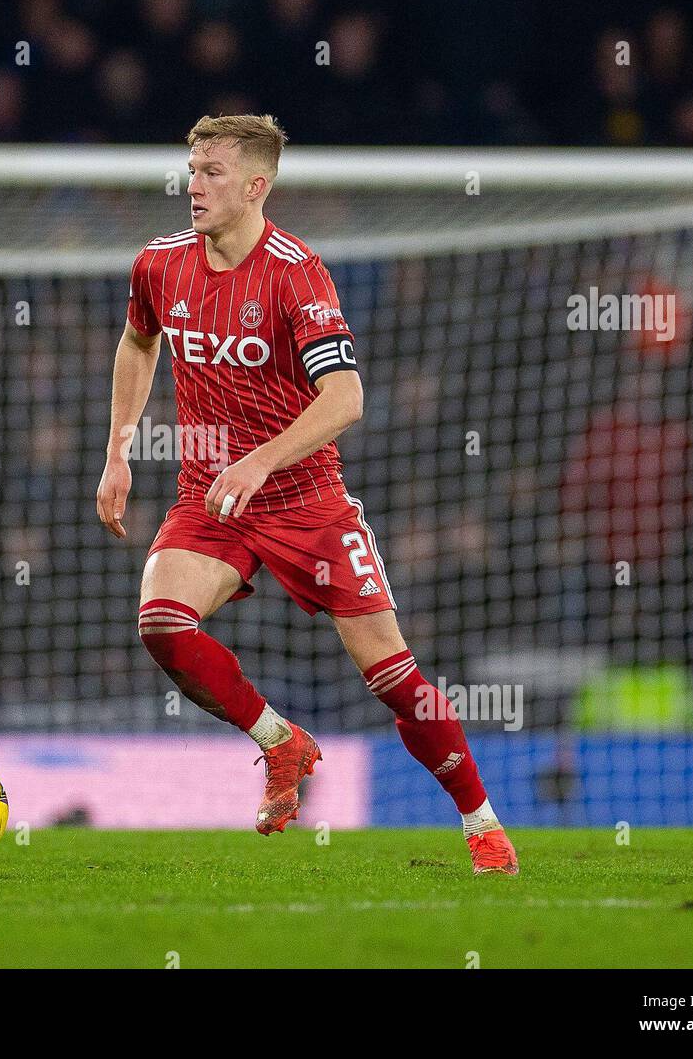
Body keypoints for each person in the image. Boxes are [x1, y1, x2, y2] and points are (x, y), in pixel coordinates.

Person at [96, 114, 517, 874]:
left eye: (213, 171)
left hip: (306, 501)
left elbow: (346, 397)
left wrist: (260, 460)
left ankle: (482, 821)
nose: (193, 184)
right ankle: (280, 740)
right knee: (160, 621)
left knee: (394, 677)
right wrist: (118, 450)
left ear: (258, 185)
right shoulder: (159, 265)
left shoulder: (297, 273)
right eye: (192, 168)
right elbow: (138, 339)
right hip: (211, 497)